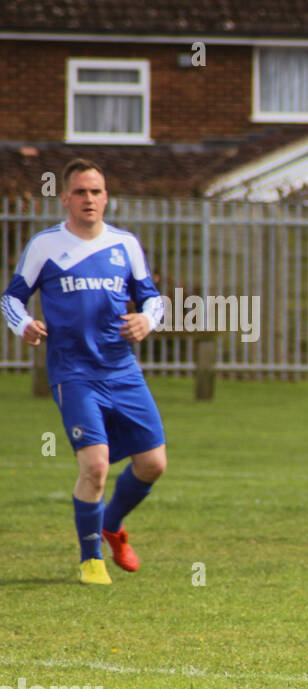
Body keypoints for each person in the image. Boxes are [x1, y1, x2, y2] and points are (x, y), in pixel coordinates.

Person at [3, 159, 167, 585]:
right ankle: (90, 559)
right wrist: (24, 325)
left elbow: (153, 298)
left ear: (106, 197)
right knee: (95, 466)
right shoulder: (45, 245)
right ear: (66, 199)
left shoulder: (125, 244)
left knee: (153, 463)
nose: (89, 199)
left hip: (121, 369)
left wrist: (147, 321)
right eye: (80, 192)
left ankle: (111, 525)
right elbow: (12, 299)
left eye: (96, 191)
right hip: (73, 372)